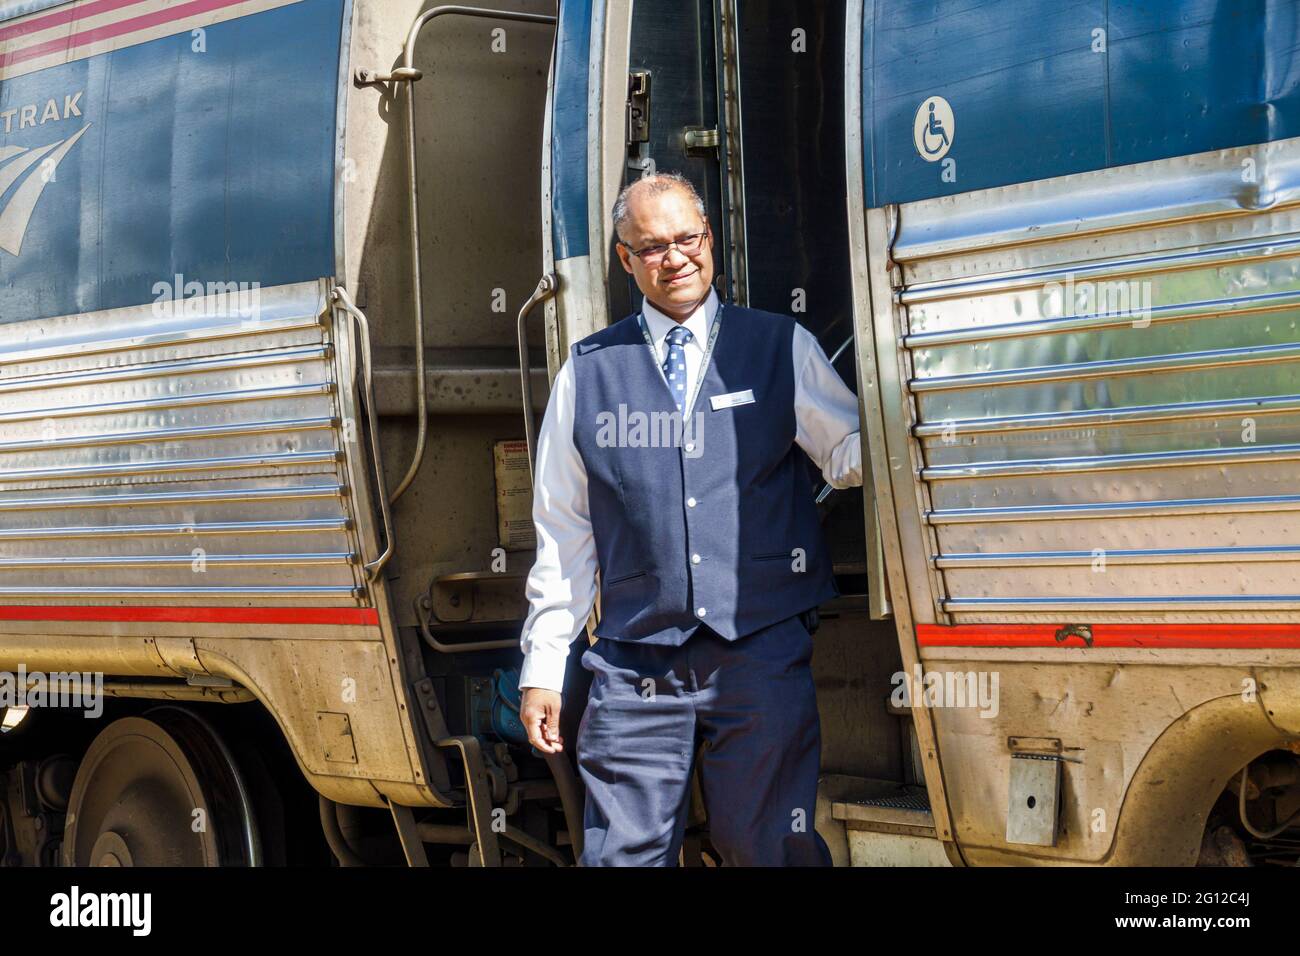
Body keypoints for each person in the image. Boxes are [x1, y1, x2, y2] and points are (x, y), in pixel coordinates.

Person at [518, 171, 863, 865]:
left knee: (769, 847)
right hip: (634, 662)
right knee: (623, 855)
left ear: (710, 241)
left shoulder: (779, 346)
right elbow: (564, 534)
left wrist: (921, 414)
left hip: (760, 648)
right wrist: (543, 669)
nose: (673, 257)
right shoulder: (587, 372)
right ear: (625, 260)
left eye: (686, 239)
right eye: (651, 247)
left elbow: (847, 453)